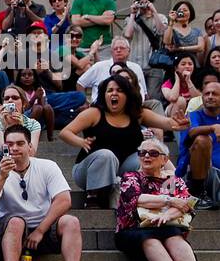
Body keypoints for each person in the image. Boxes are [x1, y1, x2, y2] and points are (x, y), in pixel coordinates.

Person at [0, 124, 89, 261]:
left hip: (43, 231)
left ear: (30, 147)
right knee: (17, 221)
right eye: (10, 144)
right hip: (9, 231)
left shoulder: (47, 166)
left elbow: (64, 200)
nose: (14, 148)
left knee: (71, 222)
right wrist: (2, 176)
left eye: (20, 143)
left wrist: (40, 230)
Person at [61, 73, 186, 208]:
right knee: (107, 155)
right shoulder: (94, 113)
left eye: (119, 91)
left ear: (127, 95)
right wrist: (80, 141)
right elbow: (65, 132)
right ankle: (94, 197)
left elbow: (166, 123)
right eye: (110, 90)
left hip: (123, 168)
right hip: (87, 172)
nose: (114, 94)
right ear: (104, 95)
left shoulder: (137, 114)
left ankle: (172, 189)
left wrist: (177, 124)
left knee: (152, 154)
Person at [115, 137, 212, 261]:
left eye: (153, 153)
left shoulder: (172, 181)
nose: (146, 156)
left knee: (174, 236)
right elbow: (135, 198)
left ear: (164, 159)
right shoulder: (132, 177)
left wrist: (167, 215)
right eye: (142, 153)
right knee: (149, 237)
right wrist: (169, 200)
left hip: (167, 229)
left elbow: (187, 205)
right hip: (133, 230)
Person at [179, 79, 220, 207]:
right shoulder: (194, 115)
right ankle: (196, 194)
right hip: (204, 175)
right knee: (203, 140)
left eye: (214, 94)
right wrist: (213, 127)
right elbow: (192, 132)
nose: (210, 97)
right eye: (207, 94)